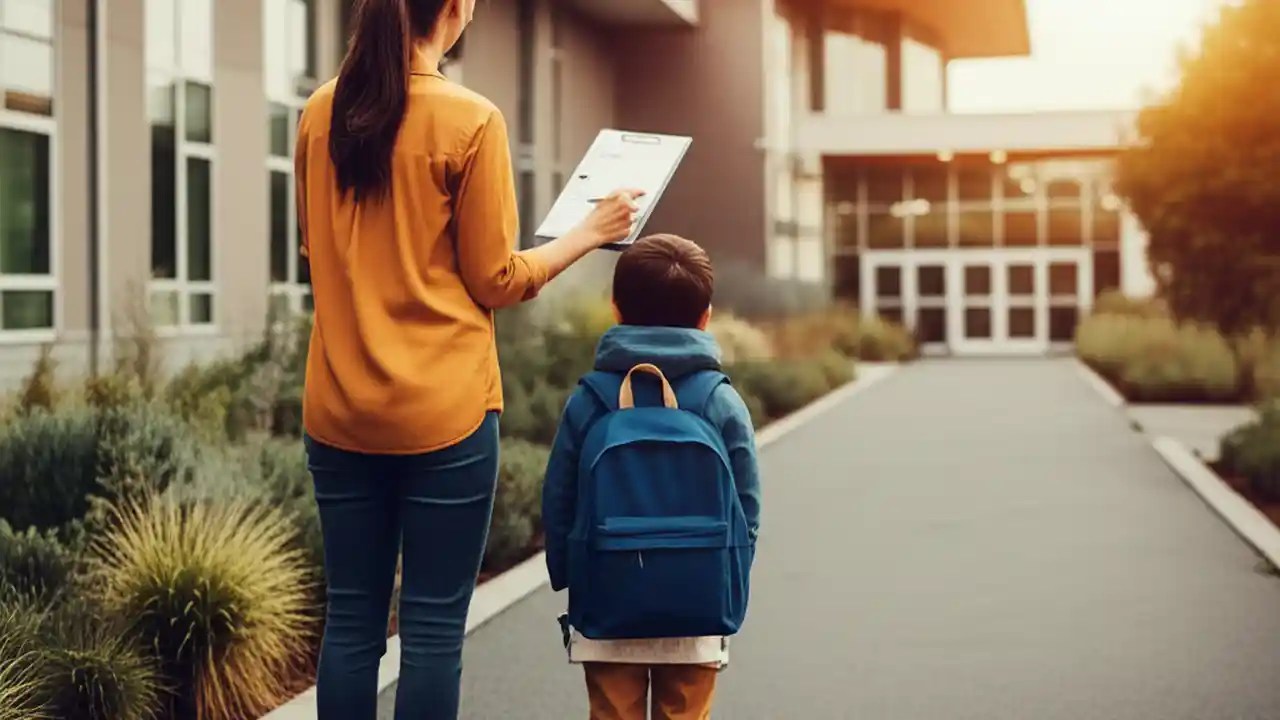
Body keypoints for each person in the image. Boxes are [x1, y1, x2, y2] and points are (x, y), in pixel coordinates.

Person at [294, 0, 642, 718]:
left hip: (337, 410)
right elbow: (498, 279)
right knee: (429, 629)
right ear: (454, 8)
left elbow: (313, 252)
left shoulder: (318, 113)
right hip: (444, 416)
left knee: (352, 622)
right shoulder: (470, 120)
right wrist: (592, 230)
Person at [542, 235, 763, 720]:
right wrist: (729, 577)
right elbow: (746, 505)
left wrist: (569, 575)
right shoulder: (718, 400)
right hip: (697, 600)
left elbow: (559, 497)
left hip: (607, 598)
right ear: (705, 315)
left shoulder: (591, 400)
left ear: (616, 310)